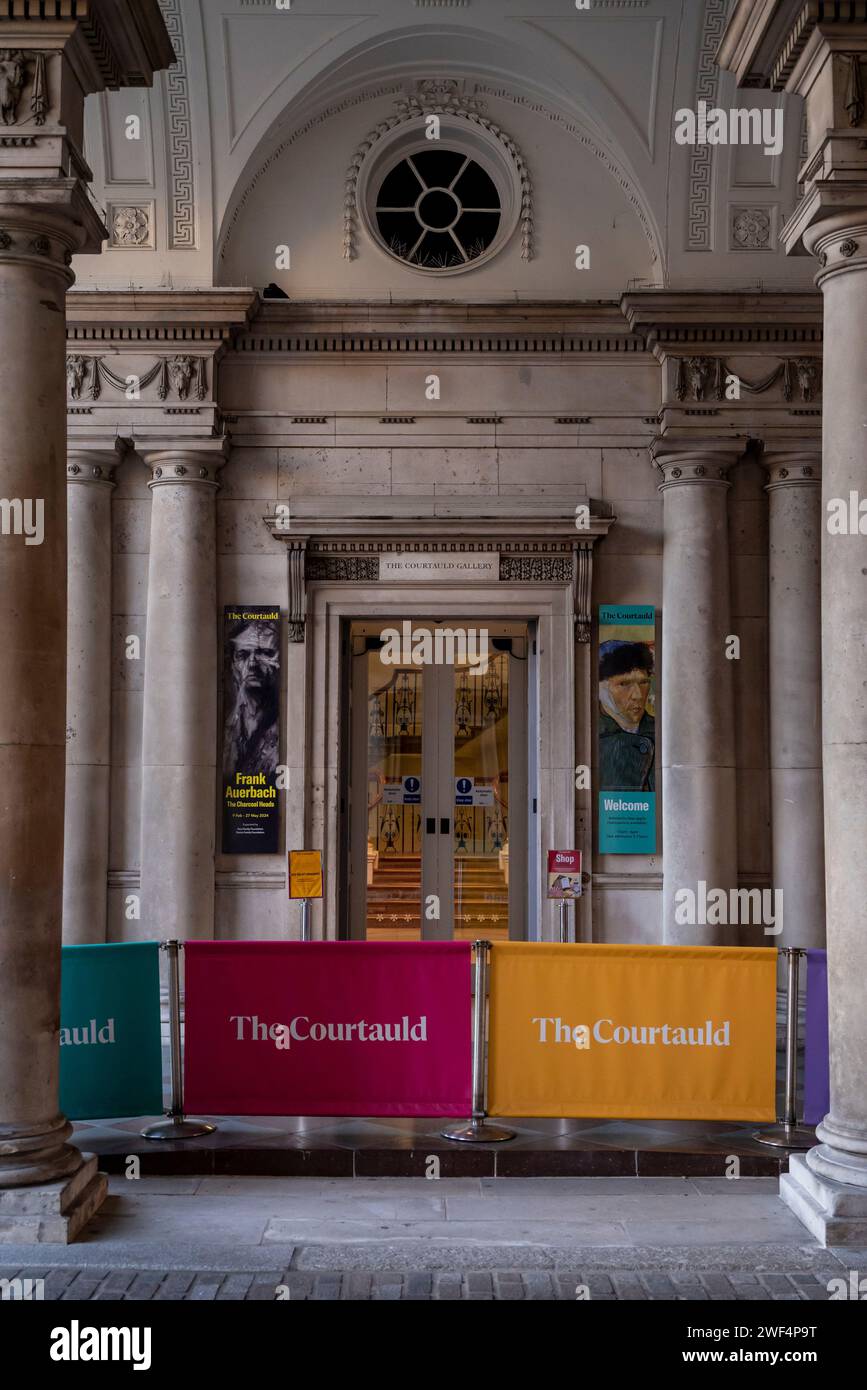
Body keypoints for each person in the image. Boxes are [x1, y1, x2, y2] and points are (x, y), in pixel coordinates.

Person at [223, 620, 280, 776]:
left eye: (264, 653)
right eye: (243, 655)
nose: (253, 662)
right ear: (234, 664)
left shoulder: (283, 725)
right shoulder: (227, 724)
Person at [598, 639, 655, 791]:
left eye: (643, 682)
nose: (637, 695)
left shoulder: (664, 734)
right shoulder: (589, 740)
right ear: (599, 688)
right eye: (624, 684)